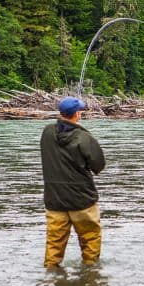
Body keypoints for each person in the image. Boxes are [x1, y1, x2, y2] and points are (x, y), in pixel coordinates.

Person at [40, 96, 106, 268]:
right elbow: (98, 165)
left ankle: (52, 284)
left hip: (54, 200)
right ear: (77, 114)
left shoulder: (47, 132)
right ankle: (90, 277)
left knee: (53, 246)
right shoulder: (84, 137)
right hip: (82, 201)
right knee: (90, 240)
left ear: (61, 113)